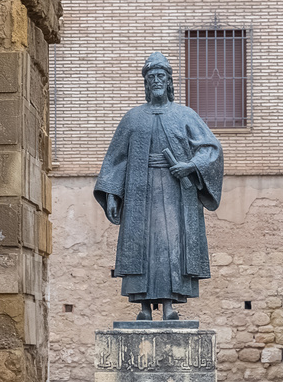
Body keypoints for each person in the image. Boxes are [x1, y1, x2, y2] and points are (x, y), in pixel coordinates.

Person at [94, 51, 223, 321]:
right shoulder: (132, 118)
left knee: (170, 246)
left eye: (160, 76)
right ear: (146, 83)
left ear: (168, 81)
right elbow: (116, 158)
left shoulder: (184, 115)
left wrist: (190, 166)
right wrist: (112, 195)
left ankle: (168, 307)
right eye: (151, 77)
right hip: (139, 192)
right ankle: (142, 307)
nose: (155, 81)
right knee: (139, 245)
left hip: (176, 193)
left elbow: (211, 148)